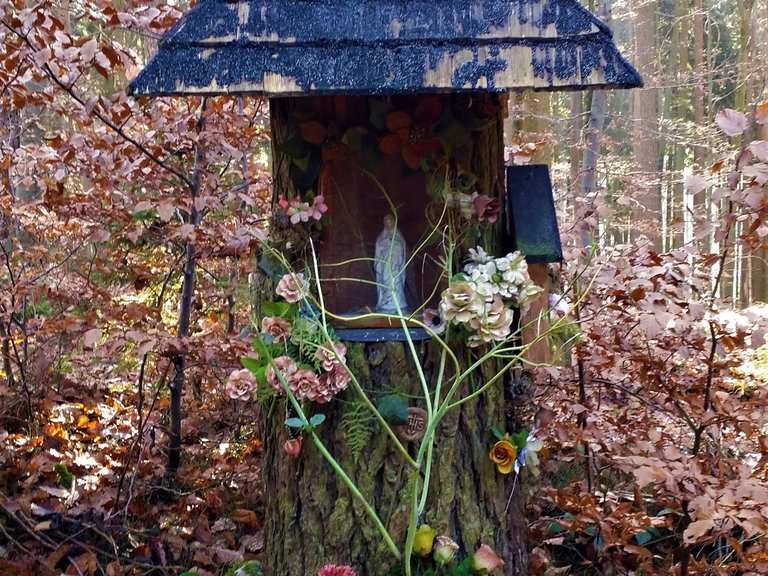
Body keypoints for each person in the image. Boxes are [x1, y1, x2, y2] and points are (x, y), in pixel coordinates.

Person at [374, 214, 408, 313]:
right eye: (386, 221)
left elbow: (402, 251)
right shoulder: (381, 237)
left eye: (390, 220)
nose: (388, 223)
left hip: (395, 266)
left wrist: (394, 249)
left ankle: (398, 303)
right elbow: (378, 253)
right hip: (385, 265)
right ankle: (386, 303)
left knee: (396, 283)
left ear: (394, 222)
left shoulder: (399, 237)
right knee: (385, 281)